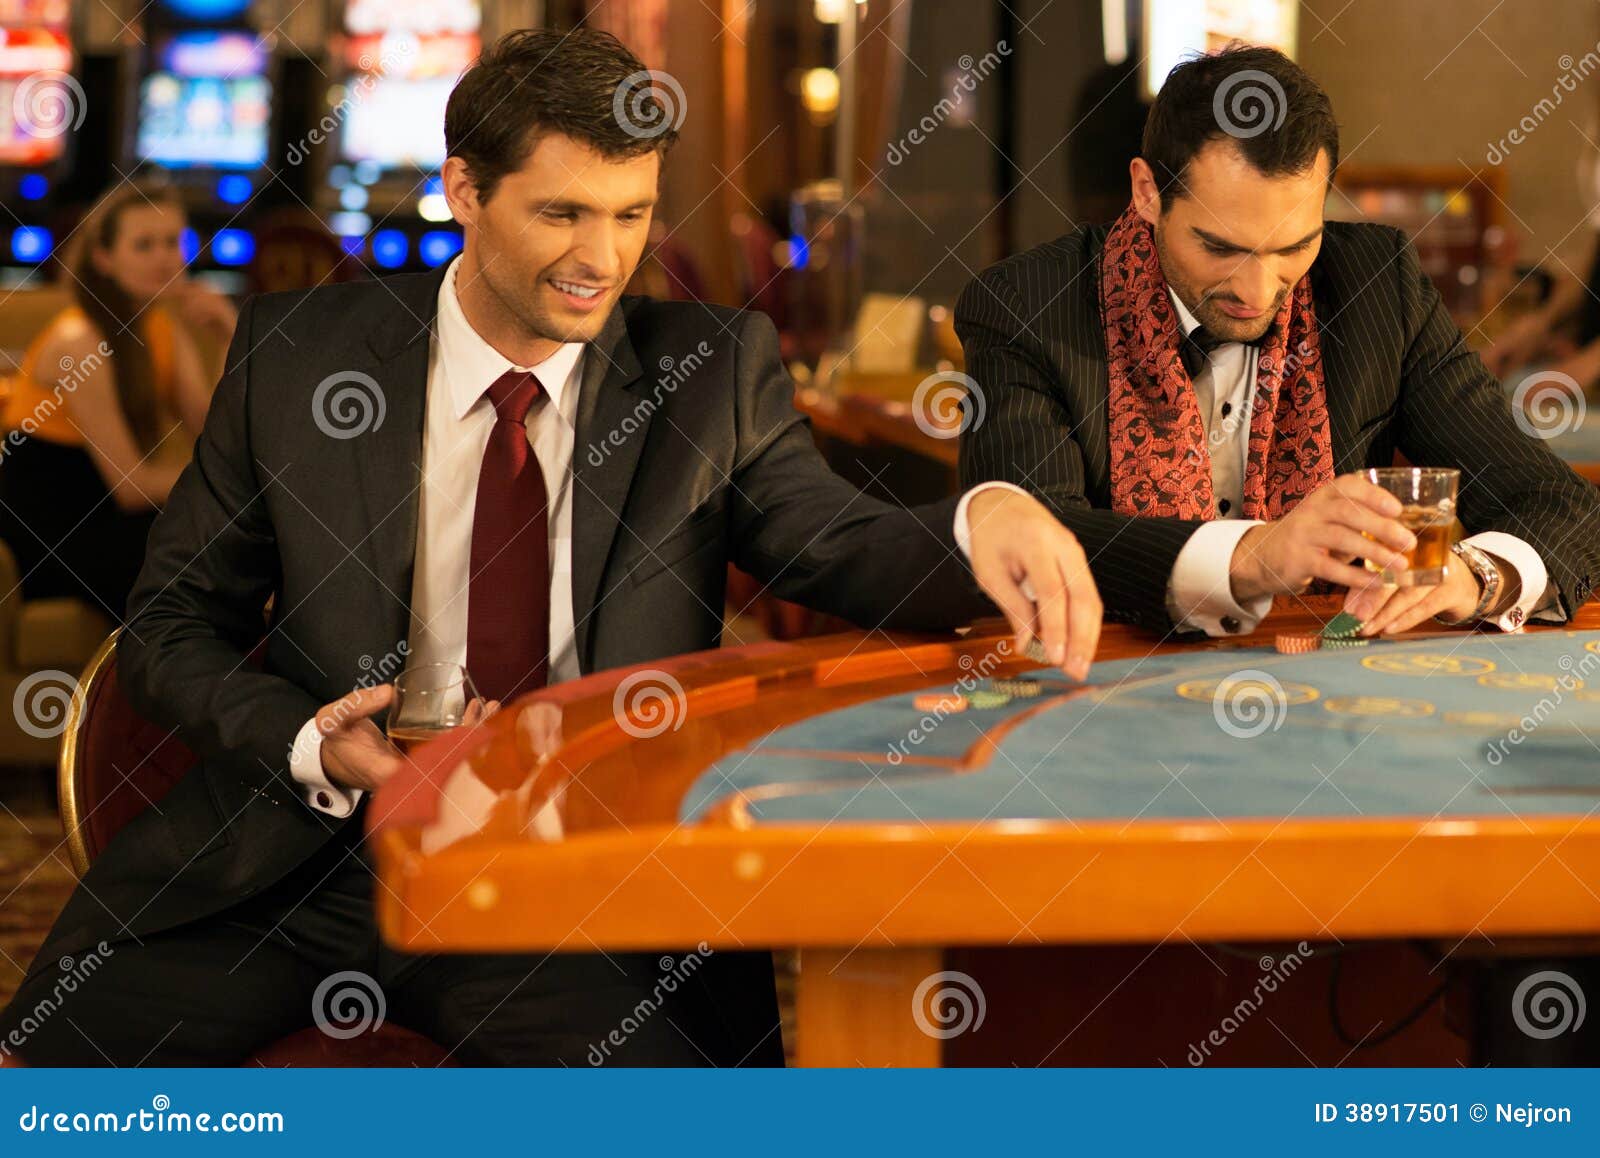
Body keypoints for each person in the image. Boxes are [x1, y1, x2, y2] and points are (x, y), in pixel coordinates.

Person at [0, 28, 1095, 1067]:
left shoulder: (709, 373)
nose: (602, 258)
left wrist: (982, 518)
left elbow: (838, 540)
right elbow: (173, 628)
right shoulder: (299, 356)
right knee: (45, 1086)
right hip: (303, 860)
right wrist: (314, 745)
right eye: (563, 213)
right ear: (466, 191)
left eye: (632, 214)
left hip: (576, 879)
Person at [956, 44, 1600, 643]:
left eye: (1294, 246)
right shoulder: (1024, 306)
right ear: (1148, 193)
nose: (1258, 291)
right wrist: (1255, 555)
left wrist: (1475, 576)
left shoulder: (1377, 288)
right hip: (1104, 684)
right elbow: (1020, 537)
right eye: (1220, 247)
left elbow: (1561, 505)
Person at [0, 181, 235, 617]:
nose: (165, 258)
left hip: (108, 516)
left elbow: (214, 436)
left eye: (172, 242)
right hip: (56, 533)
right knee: (210, 563)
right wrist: (233, 485)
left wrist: (228, 336)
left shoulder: (161, 328)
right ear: (103, 258)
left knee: (236, 551)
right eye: (144, 245)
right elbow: (132, 488)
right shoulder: (81, 341)